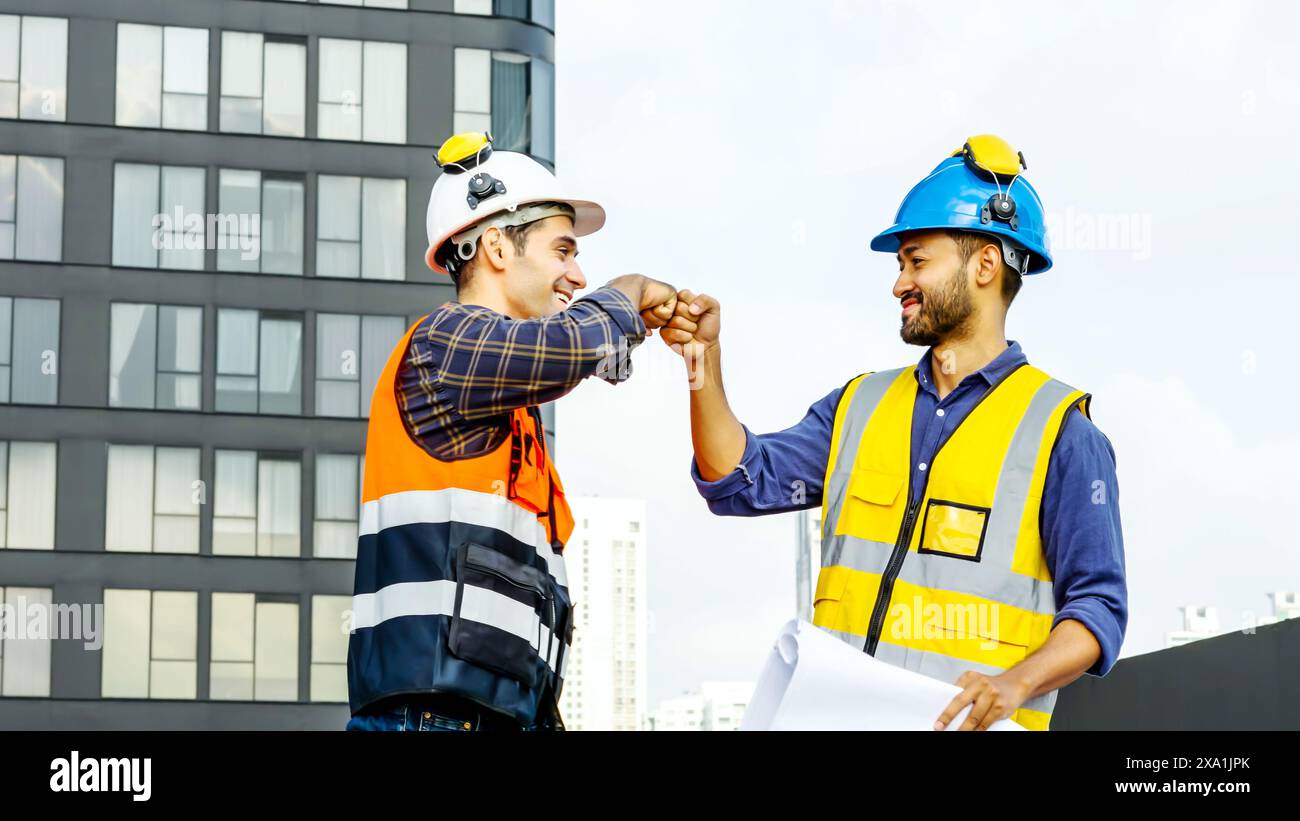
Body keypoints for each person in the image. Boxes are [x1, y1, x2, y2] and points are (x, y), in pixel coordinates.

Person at [662, 135, 1128, 731]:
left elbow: (1099, 609)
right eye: (899, 264)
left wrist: (1014, 685)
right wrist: (704, 360)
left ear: (985, 263)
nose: (899, 283)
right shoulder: (859, 406)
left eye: (917, 260)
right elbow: (736, 481)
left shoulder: (1063, 434)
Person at [345, 132, 679, 731]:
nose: (577, 274)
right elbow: (572, 346)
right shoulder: (444, 344)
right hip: (432, 716)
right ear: (497, 247)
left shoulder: (510, 409)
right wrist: (627, 292)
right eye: (562, 251)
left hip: (486, 715)